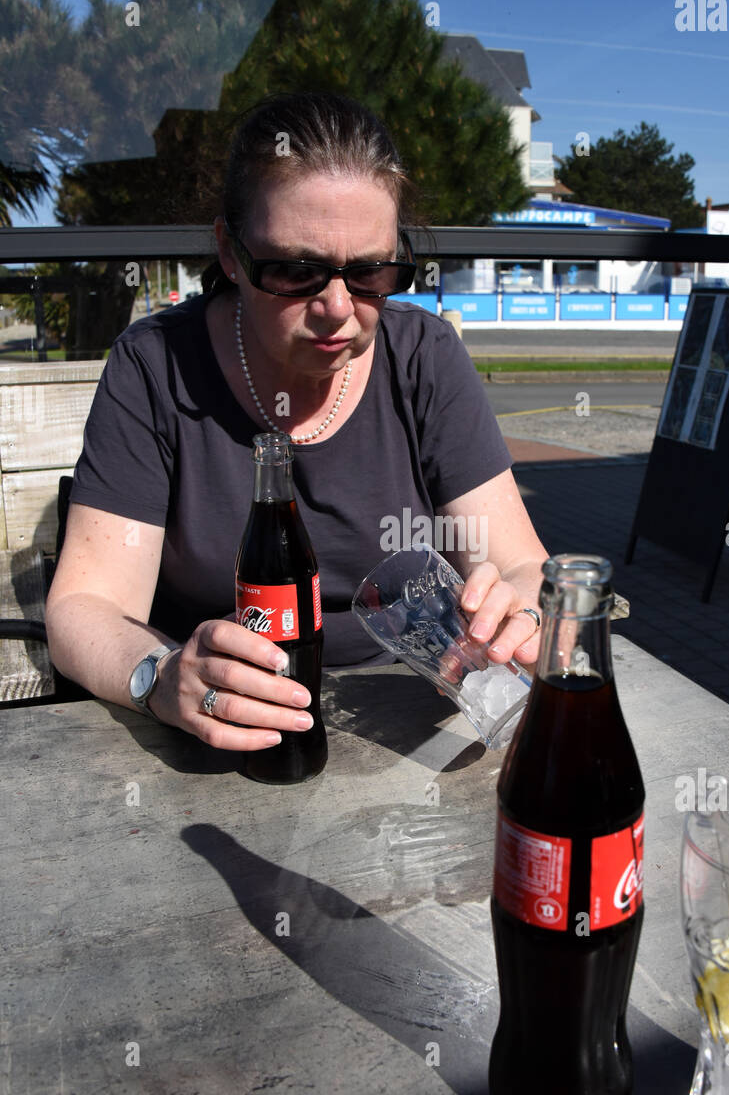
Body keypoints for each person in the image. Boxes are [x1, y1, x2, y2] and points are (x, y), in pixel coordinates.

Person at [46, 92, 550, 754]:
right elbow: (85, 605)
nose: (338, 308)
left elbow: (520, 562)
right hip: (217, 737)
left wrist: (517, 614)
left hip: (408, 721)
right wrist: (160, 676)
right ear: (230, 252)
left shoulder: (424, 356)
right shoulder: (156, 368)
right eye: (295, 271)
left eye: (370, 270)